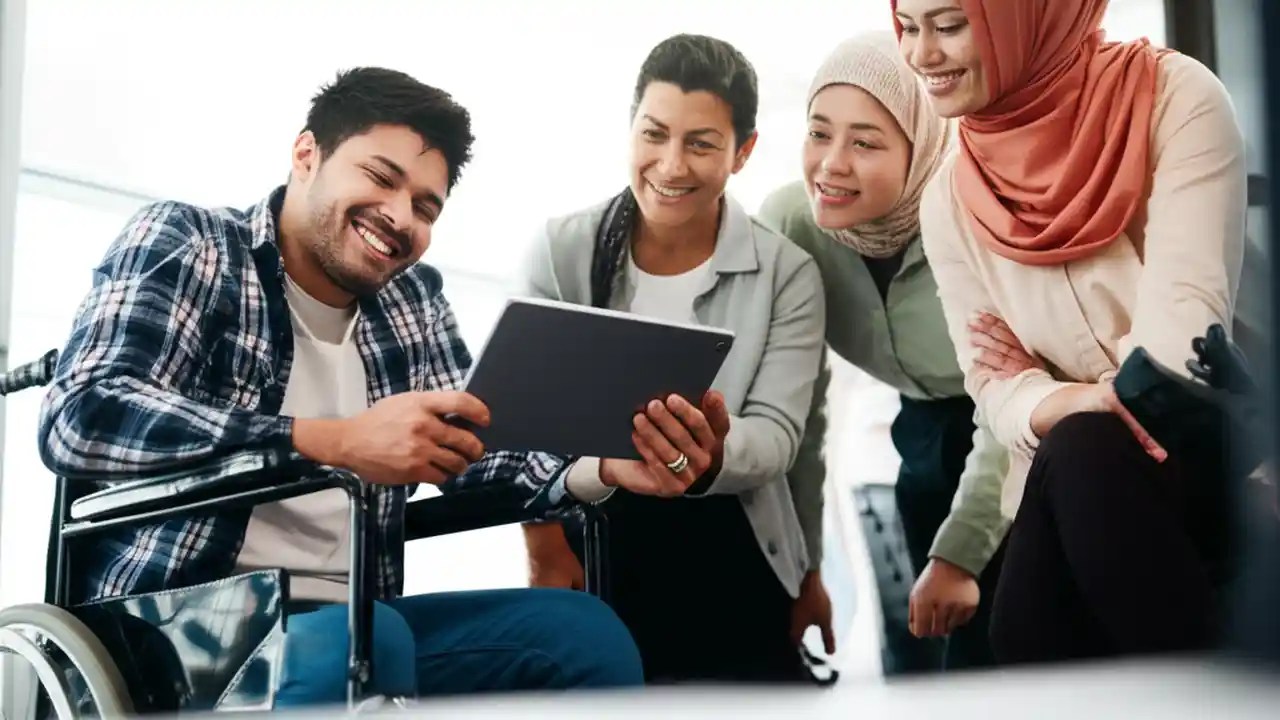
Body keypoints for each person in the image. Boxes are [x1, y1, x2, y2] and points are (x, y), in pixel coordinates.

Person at [35, 67, 663, 706]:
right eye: (380, 177)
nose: (399, 216)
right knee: (363, 639)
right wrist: (335, 441)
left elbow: (476, 450)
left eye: (425, 206)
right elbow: (83, 413)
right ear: (307, 154)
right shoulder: (194, 243)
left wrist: (602, 466)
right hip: (184, 628)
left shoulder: (413, 299)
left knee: (583, 636)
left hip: (361, 617)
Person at [893, 0, 1248, 664]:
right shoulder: (950, 193)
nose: (920, 55)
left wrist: (1049, 391)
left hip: (1216, 461)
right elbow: (992, 390)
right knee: (1082, 451)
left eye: (948, 25)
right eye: (907, 27)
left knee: (1082, 456)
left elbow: (1177, 356)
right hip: (1077, 482)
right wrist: (1073, 399)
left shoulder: (1177, 100)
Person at [514, 34, 829, 683]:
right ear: (631, 129)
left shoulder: (786, 274)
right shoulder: (561, 250)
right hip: (597, 538)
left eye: (701, 143)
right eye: (654, 135)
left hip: (731, 540)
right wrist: (544, 547)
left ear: (743, 152)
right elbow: (522, 427)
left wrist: (711, 453)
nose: (671, 164)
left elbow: (780, 436)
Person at [758, 31, 1008, 672]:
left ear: (920, 146)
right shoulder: (792, 224)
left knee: (1004, 645)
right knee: (937, 657)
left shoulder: (978, 218)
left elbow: (1016, 397)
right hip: (921, 432)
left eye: (865, 142)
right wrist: (806, 568)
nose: (831, 164)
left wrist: (961, 553)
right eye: (819, 133)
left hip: (1021, 433)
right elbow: (799, 409)